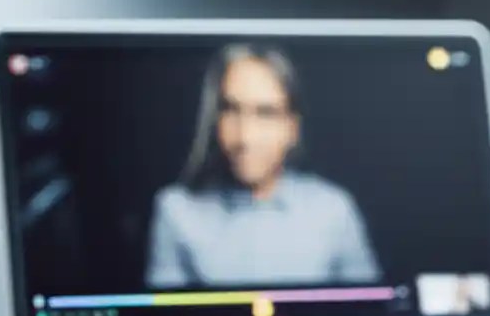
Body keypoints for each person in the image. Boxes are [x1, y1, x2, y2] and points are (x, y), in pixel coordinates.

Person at [146, 43, 380, 288]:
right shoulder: (175, 210)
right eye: (231, 109)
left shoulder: (334, 211)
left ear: (292, 128)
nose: (245, 137)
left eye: (266, 113)